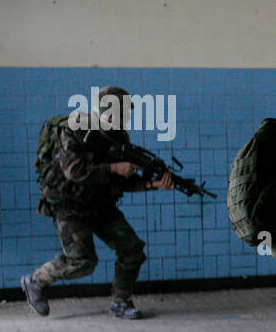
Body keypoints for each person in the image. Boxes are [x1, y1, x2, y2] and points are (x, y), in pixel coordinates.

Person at [21, 87, 174, 320]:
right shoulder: (74, 128)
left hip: (100, 205)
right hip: (69, 206)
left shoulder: (119, 137)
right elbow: (74, 171)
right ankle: (35, 281)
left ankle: (121, 302)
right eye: (125, 113)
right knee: (83, 262)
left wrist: (153, 184)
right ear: (110, 113)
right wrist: (115, 167)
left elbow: (123, 180)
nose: (128, 118)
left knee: (132, 249)